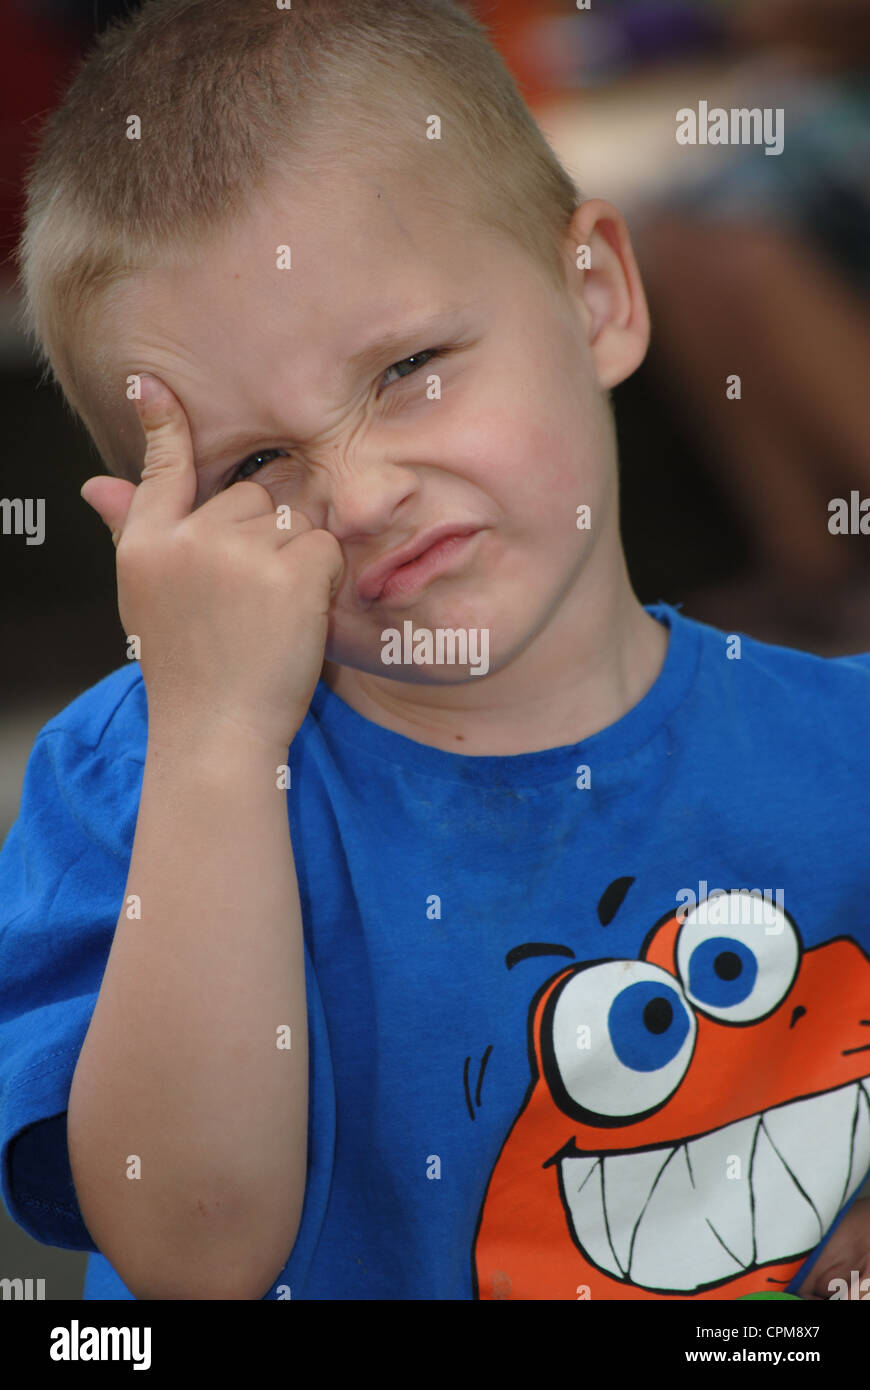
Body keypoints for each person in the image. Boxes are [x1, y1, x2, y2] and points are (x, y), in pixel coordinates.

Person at [0, 0, 868, 1302]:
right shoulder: (139, 776)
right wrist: (217, 741)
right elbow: (190, 1252)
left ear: (596, 299)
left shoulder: (842, 746)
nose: (354, 495)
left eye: (407, 366)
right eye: (252, 466)